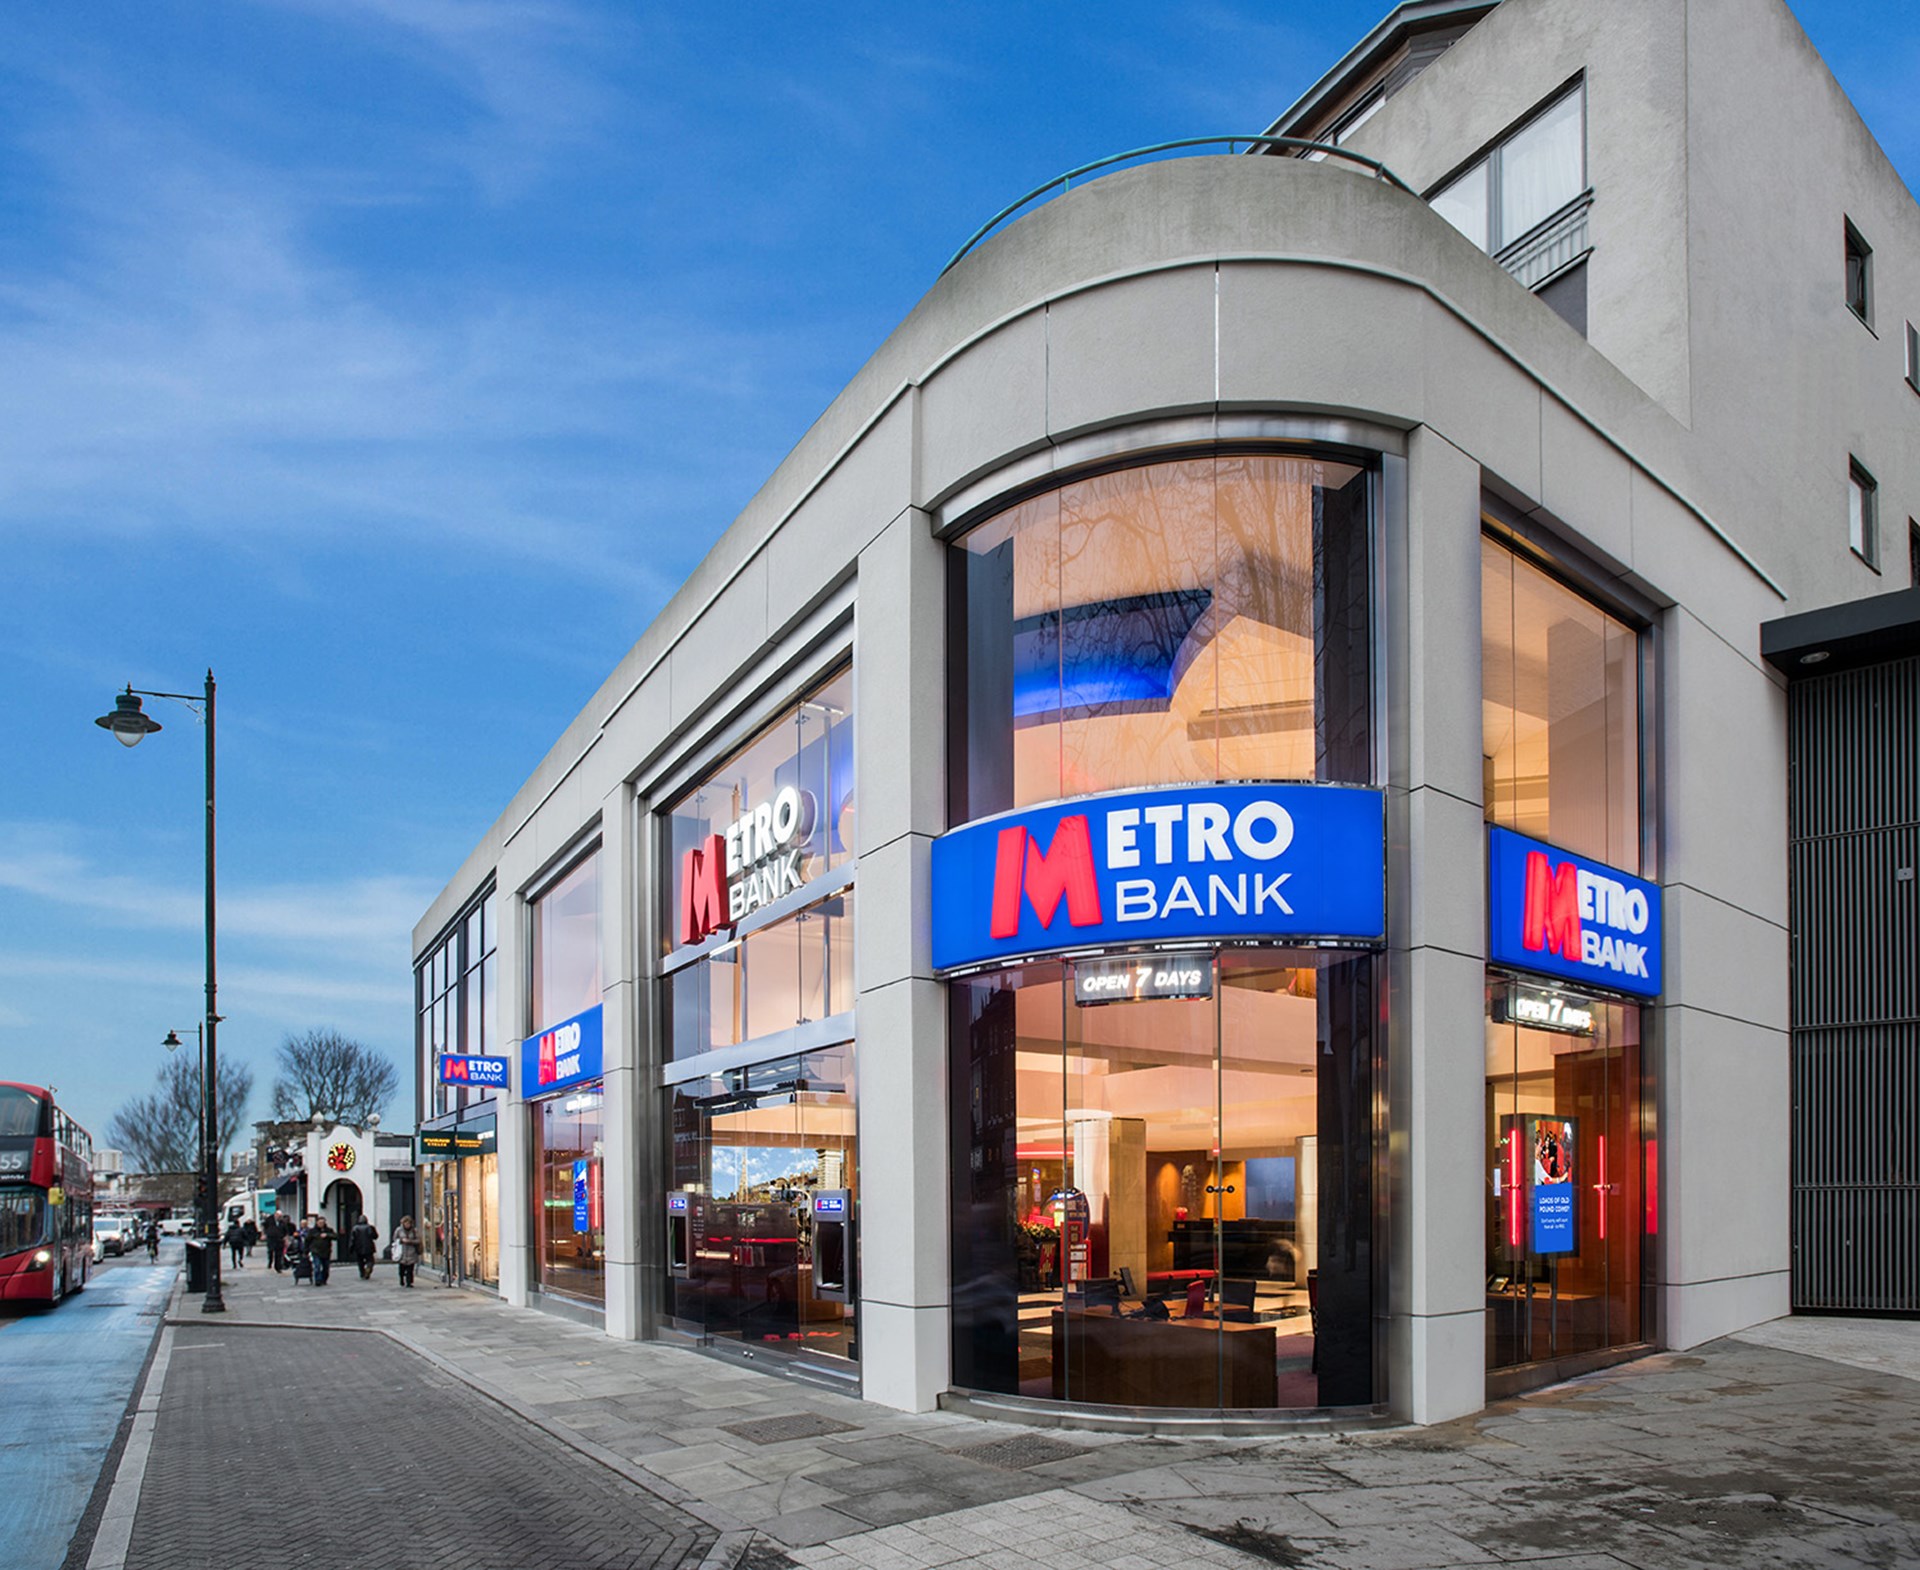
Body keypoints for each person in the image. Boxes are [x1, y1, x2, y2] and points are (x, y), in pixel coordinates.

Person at [393, 1216, 422, 1288]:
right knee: (402, 1269)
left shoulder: (414, 1231)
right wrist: (401, 1240)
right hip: (402, 1252)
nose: (407, 1225)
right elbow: (395, 1239)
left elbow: (418, 1240)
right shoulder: (399, 1230)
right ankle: (402, 1279)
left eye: (408, 1223)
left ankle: (409, 1282)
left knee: (410, 1269)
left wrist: (410, 1241)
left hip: (411, 1252)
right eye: (406, 1223)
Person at [347, 1213, 379, 1280]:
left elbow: (352, 1239)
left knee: (360, 1261)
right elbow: (375, 1236)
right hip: (369, 1247)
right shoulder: (370, 1227)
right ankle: (368, 1268)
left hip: (358, 1247)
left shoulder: (355, 1228)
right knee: (370, 1260)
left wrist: (351, 1248)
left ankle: (362, 1273)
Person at [306, 1215, 334, 1286]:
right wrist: (306, 1250)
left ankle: (323, 1279)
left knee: (326, 1267)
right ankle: (317, 1280)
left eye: (322, 1222)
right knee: (317, 1266)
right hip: (316, 1251)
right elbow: (307, 1240)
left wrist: (327, 1235)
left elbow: (335, 1236)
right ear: (317, 1223)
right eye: (319, 1222)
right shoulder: (312, 1231)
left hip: (326, 1251)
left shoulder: (328, 1230)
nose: (321, 1224)